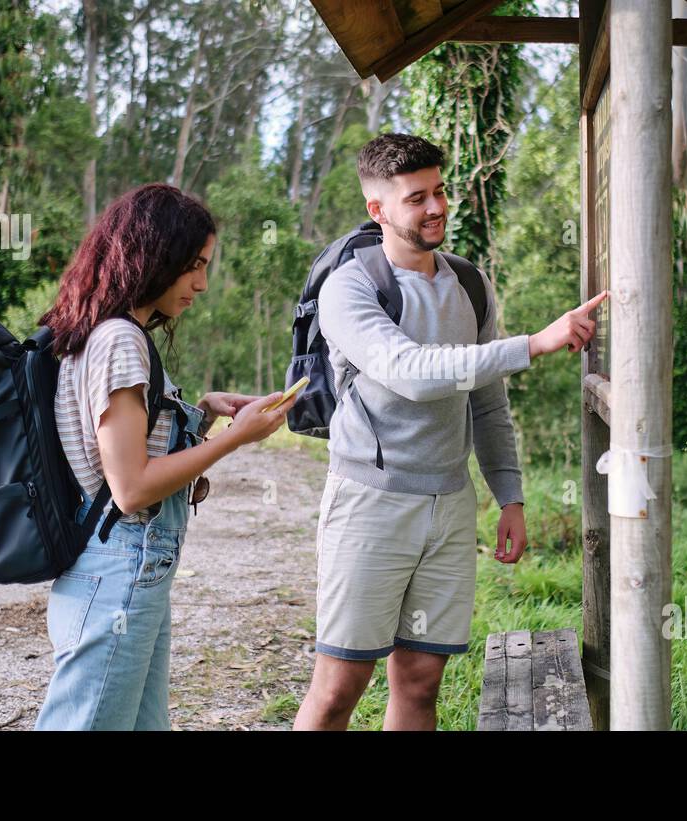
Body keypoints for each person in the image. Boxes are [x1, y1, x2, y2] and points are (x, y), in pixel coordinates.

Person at [293, 133, 608, 730]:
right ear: (378, 210)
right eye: (417, 198)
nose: (437, 207)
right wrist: (535, 343)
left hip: (451, 504)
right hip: (370, 505)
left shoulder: (470, 282)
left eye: (440, 192)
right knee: (339, 689)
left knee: (420, 683)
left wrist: (509, 495)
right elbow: (410, 373)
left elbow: (486, 400)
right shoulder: (351, 287)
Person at [34, 182, 294, 730]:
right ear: (154, 257)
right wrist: (234, 439)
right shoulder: (120, 341)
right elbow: (130, 487)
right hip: (120, 569)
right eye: (192, 265)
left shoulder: (99, 330)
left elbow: (127, 448)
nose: (201, 283)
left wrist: (200, 414)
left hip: (125, 571)